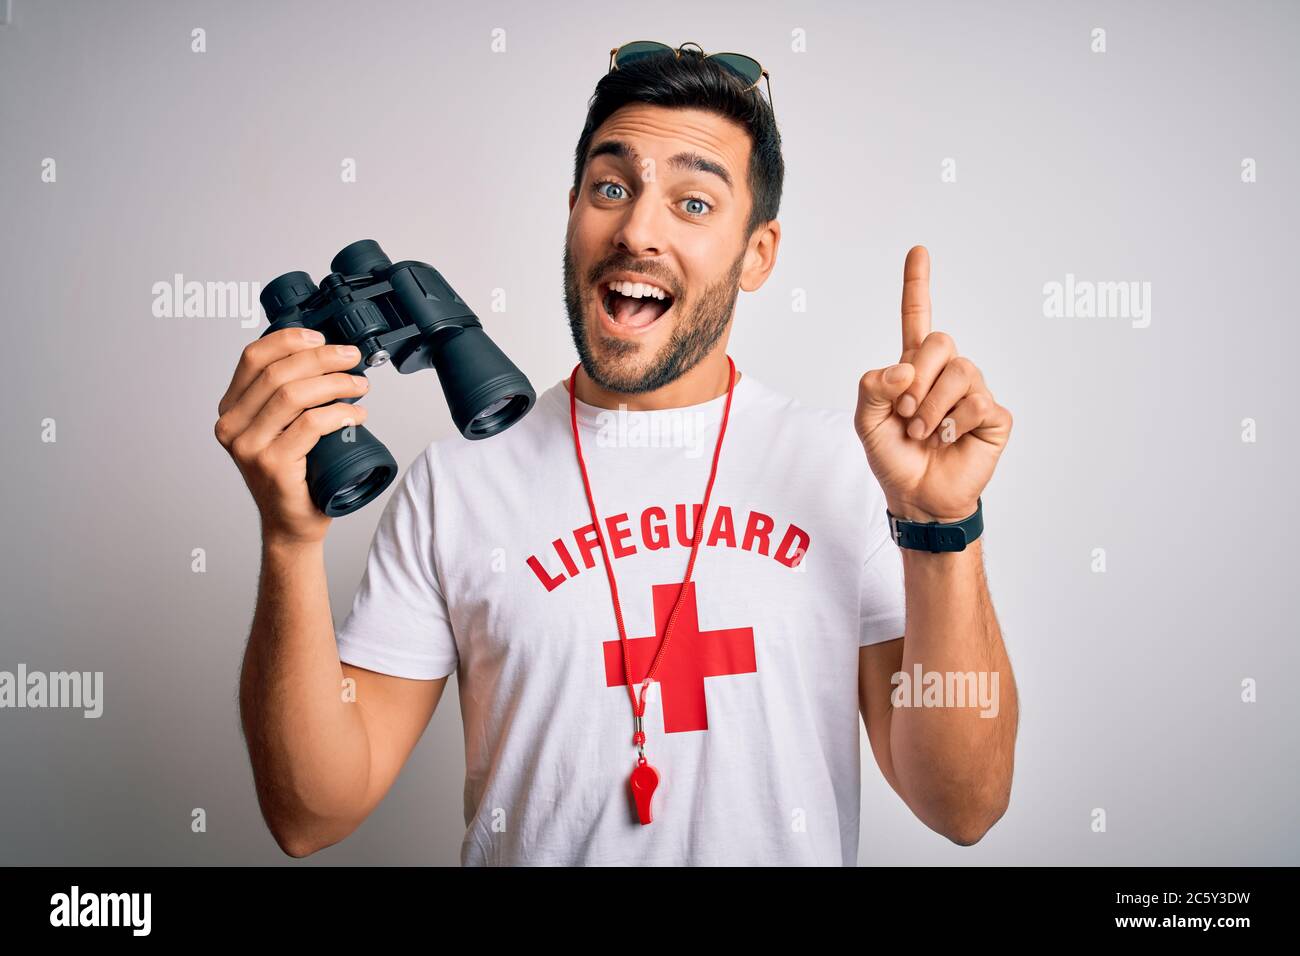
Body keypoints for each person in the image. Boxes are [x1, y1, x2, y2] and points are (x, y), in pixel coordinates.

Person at [213, 42, 1017, 866]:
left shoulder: (846, 471)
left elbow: (963, 804)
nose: (638, 229)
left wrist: (940, 526)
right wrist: (289, 540)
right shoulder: (455, 486)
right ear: (572, 212)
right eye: (611, 188)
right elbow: (312, 812)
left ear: (759, 253)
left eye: (694, 203)